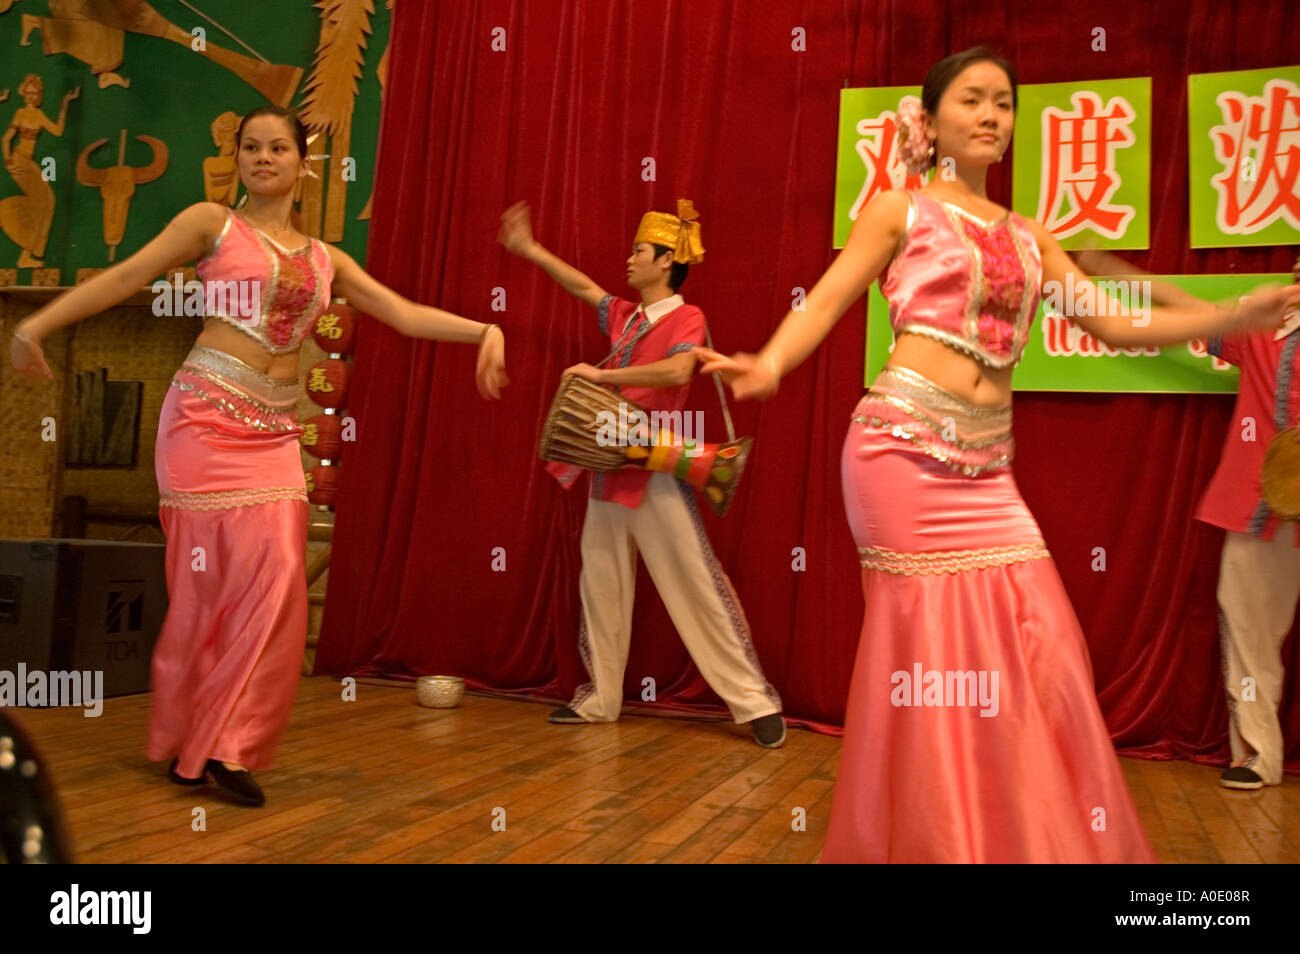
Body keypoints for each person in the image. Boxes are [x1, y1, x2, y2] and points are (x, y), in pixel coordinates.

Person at [697, 47, 1300, 862]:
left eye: (1005, 104)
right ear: (933, 117)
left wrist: (1232, 314)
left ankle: (1016, 839)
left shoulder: (1028, 233)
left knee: (1043, 642)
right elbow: (830, 297)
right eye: (973, 101)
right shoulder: (900, 210)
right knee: (935, 662)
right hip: (900, 451)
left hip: (989, 468)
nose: (991, 116)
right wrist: (767, 363)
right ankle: (934, 843)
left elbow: (1112, 322)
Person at [9, 105, 509, 806]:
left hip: (275, 434)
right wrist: (36, 324)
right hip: (204, 419)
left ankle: (230, 745)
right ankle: (193, 739)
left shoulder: (326, 258)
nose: (263, 158)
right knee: (203, 593)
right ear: (239, 158)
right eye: (251, 147)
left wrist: (483, 329)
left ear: (304, 164)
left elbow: (399, 313)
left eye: (278, 147)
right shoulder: (209, 224)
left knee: (277, 584)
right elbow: (127, 277)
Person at [498, 199, 786, 747]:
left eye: (639, 251)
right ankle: (601, 699)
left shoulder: (687, 317)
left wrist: (603, 379)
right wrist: (531, 249)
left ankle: (752, 702)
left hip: (657, 465)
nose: (629, 259)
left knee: (694, 585)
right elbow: (584, 288)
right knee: (601, 585)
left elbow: (681, 367)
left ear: (666, 260)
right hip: (607, 462)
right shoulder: (627, 317)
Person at [1195, 252, 1300, 791]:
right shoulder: (1264, 335)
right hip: (1263, 510)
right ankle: (1259, 754)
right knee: (1250, 633)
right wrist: (1126, 277)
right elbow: (1202, 317)